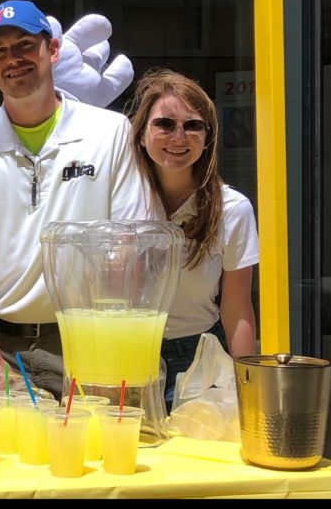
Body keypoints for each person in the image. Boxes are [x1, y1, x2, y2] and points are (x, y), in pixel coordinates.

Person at [0, 0, 152, 398]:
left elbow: (130, 244)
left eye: (25, 45)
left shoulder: (110, 132)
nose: (14, 59)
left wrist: (110, 351)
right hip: (5, 352)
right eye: (1, 51)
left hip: (92, 344)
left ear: (53, 50)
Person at [126, 68, 258, 408]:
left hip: (201, 359)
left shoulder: (233, 209)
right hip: (129, 356)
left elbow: (237, 308)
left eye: (193, 125)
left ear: (208, 137)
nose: (179, 137)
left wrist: (248, 390)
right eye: (165, 124)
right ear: (141, 134)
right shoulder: (121, 203)